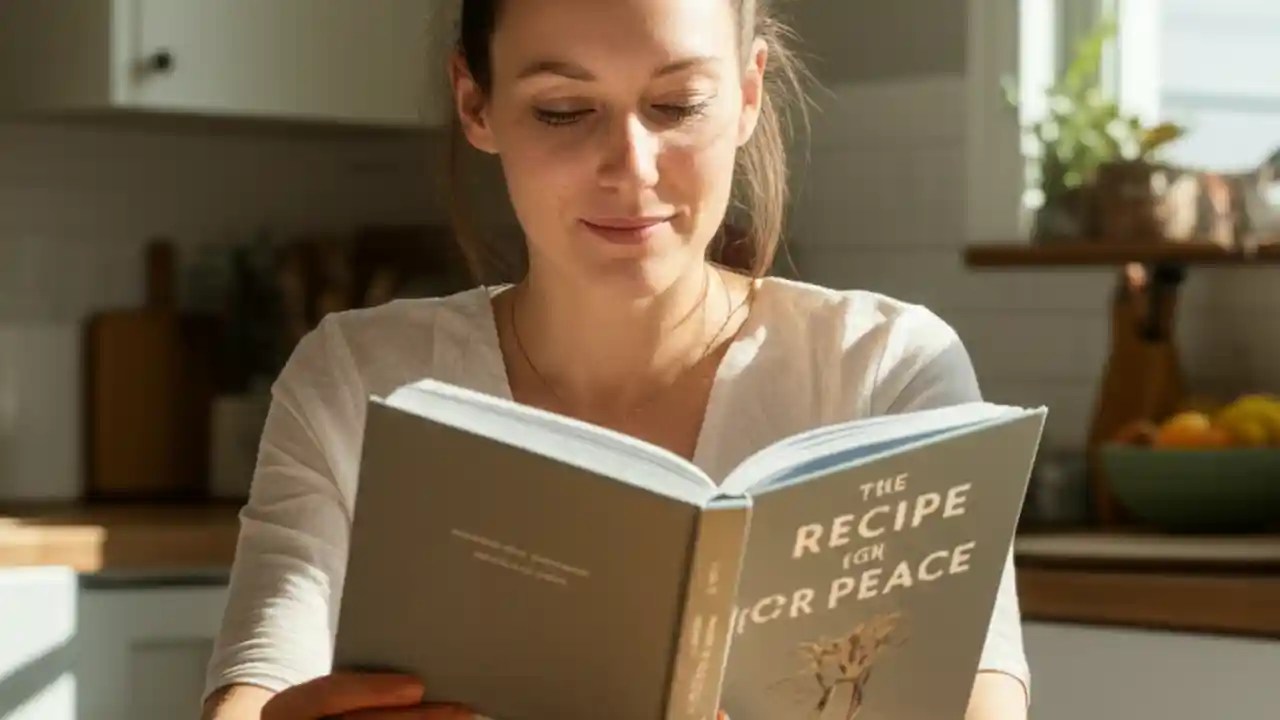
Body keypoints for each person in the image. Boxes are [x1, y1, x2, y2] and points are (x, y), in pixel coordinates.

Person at [200, 0, 1032, 718]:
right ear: (475, 101)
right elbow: (256, 684)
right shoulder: (358, 379)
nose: (631, 168)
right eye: (563, 110)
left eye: (678, 104)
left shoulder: (883, 371)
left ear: (747, 94)